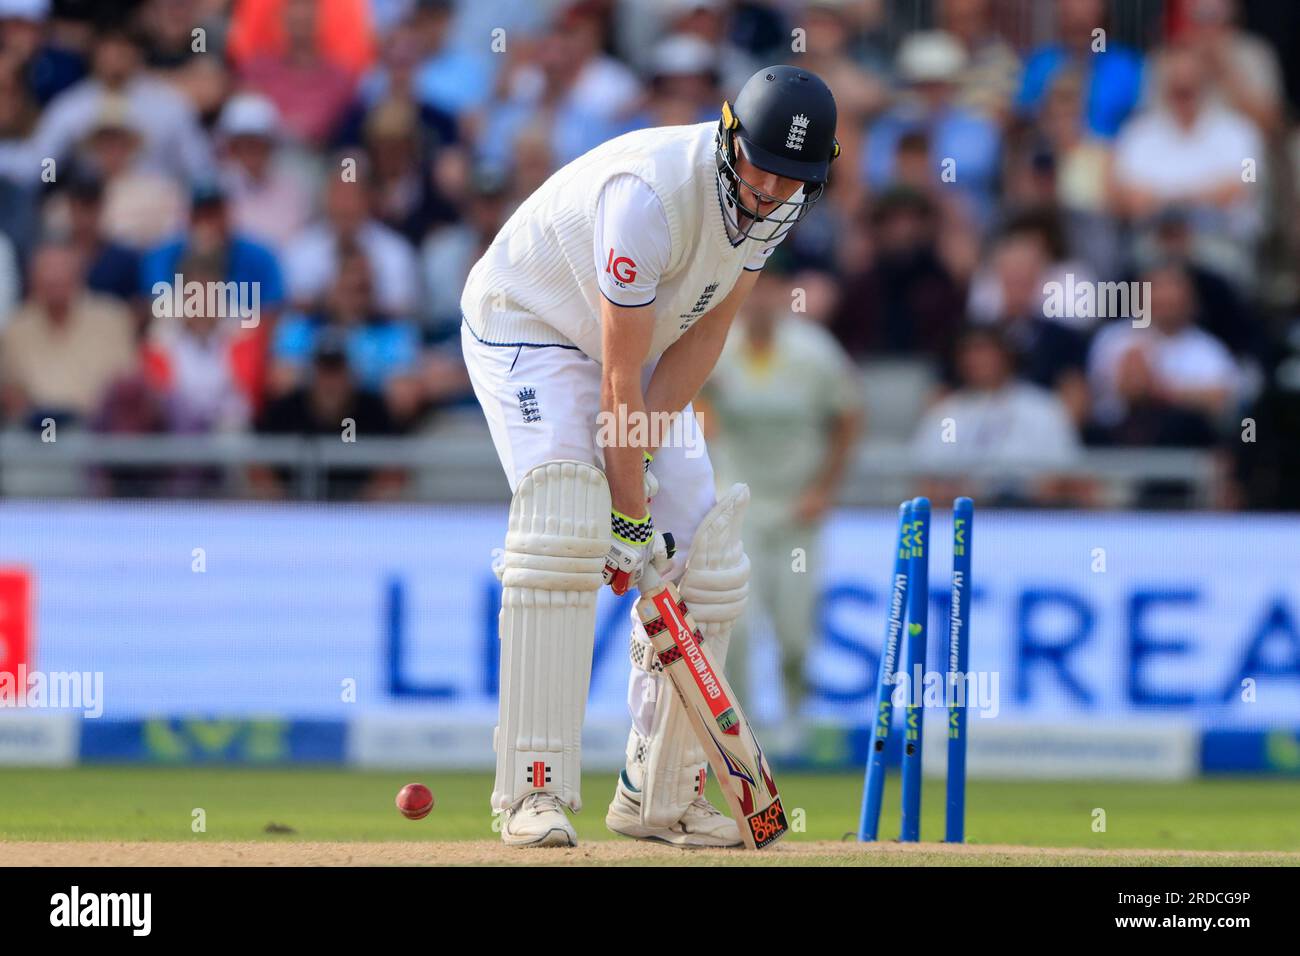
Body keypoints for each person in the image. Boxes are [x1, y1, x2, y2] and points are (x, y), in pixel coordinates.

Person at [460, 65, 839, 848]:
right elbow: (618, 376)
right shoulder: (648, 197)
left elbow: (705, 333)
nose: (768, 190)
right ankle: (533, 791)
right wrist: (626, 519)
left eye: (790, 177)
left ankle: (657, 795)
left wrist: (649, 514)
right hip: (527, 323)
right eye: (759, 166)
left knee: (703, 543)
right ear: (729, 132)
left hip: (644, 341)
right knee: (565, 520)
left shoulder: (781, 194)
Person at [700, 276, 861, 741]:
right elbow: (690, 395)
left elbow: (849, 415)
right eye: (749, 290)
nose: (758, 302)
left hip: (797, 510)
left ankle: (796, 720)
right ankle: (742, 731)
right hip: (739, 505)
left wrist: (823, 490)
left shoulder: (814, 351)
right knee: (740, 628)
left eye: (768, 290)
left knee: (795, 631)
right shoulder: (719, 344)